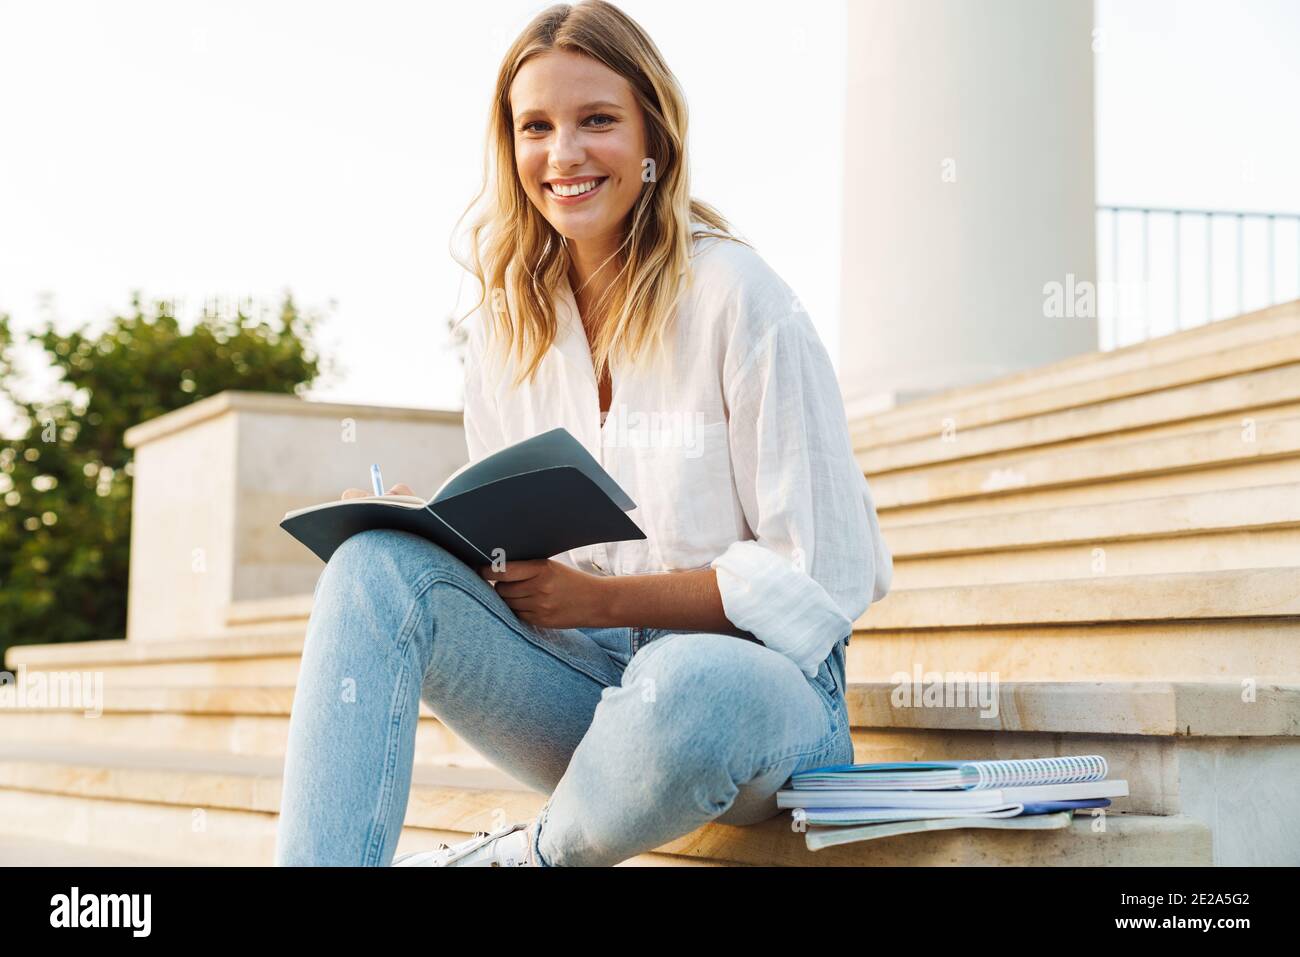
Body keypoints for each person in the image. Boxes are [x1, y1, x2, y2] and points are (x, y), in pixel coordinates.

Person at [274, 0, 892, 868]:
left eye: (597, 120)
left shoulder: (738, 296)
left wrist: (603, 602)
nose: (563, 154)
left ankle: (525, 857)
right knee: (372, 566)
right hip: (591, 692)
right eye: (536, 127)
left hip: (759, 699)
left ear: (652, 139)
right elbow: (533, 567)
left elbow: (820, 582)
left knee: (686, 679)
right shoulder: (505, 330)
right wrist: (445, 538)